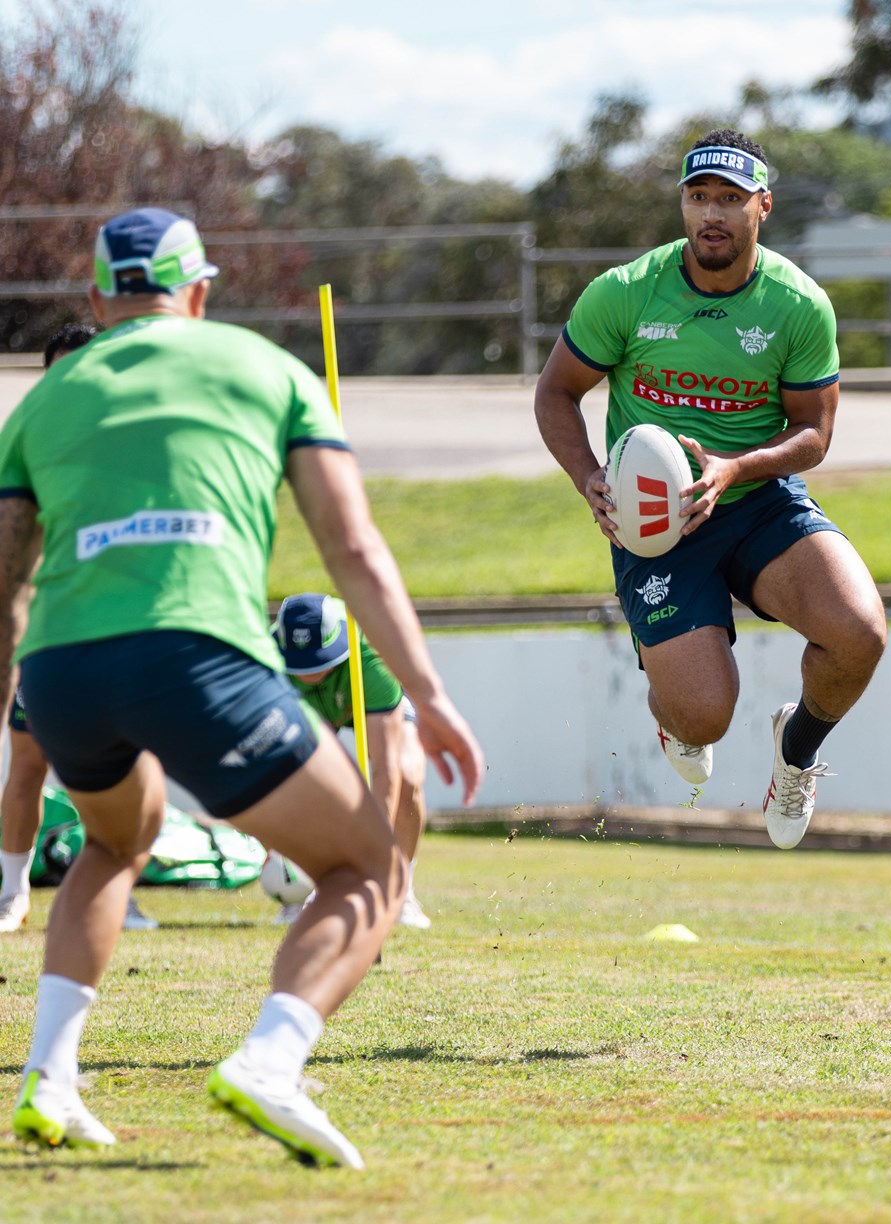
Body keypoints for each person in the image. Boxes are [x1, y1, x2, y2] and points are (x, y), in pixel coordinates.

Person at [0, 207, 484, 1168]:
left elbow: (6, 584)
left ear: (99, 296)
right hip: (194, 654)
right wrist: (426, 692)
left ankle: (49, 1078)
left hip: (61, 669)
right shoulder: (264, 367)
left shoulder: (41, 400)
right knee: (368, 866)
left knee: (113, 840)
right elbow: (351, 547)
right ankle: (272, 1060)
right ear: (200, 291)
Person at [534, 129, 887, 851]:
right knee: (703, 720)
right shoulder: (626, 293)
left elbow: (813, 435)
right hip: (658, 521)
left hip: (757, 499)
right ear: (683, 206)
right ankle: (673, 700)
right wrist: (591, 480)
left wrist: (732, 468)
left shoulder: (797, 304)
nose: (711, 214)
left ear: (763, 206)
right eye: (698, 198)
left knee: (859, 633)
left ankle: (797, 751)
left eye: (730, 198)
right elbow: (555, 394)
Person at [0, 325, 160, 932]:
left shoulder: (137, 446)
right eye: (63, 371)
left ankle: (122, 891)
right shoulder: (30, 447)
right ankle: (12, 892)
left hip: (126, 630)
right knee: (29, 764)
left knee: (125, 766)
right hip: (51, 635)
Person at [271, 593, 432, 929]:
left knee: (408, 776)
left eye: (319, 661)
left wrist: (376, 854)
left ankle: (398, 889)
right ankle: (300, 890)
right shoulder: (264, 661)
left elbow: (385, 769)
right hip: (311, 714)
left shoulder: (372, 660)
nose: (309, 673)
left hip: (370, 706)